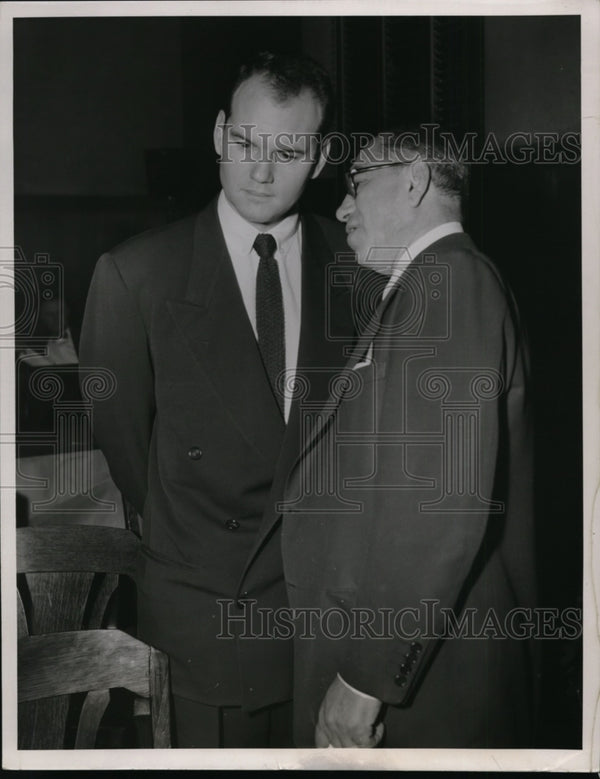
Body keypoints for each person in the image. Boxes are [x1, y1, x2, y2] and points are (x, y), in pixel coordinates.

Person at [78, 51, 356, 747]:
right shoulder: (136, 275)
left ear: (320, 157)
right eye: (245, 143)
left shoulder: (361, 269)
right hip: (209, 625)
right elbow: (132, 461)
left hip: (332, 627)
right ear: (217, 134)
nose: (261, 170)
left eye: (289, 149)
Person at [280, 128, 536, 748]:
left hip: (426, 682)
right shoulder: (430, 284)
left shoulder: (451, 282)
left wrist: (368, 679)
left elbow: (440, 506)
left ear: (415, 178)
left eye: (355, 185)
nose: (340, 209)